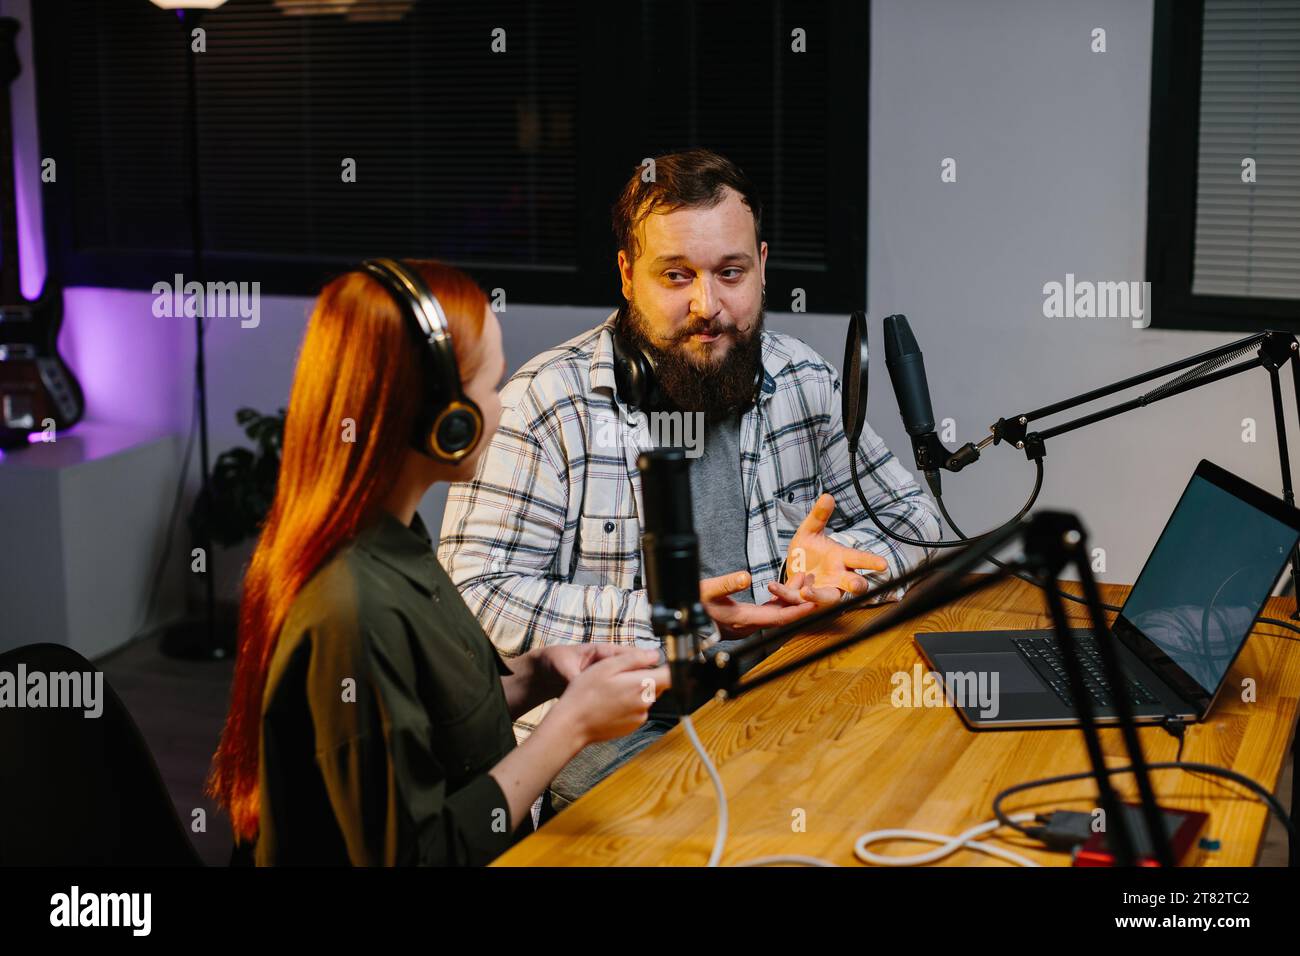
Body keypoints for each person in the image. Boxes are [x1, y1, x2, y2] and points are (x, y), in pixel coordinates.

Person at [439, 148, 942, 809]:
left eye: (730, 272)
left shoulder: (803, 380)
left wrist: (850, 574)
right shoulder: (548, 403)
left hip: (771, 692)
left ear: (762, 267)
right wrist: (663, 620)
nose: (708, 304)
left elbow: (920, 530)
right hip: (616, 728)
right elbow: (472, 598)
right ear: (626, 275)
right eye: (676, 275)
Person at [207, 258, 668, 865]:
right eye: (489, 387)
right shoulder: (352, 608)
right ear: (446, 421)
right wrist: (571, 728)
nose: (501, 410)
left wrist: (538, 678)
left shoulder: (394, 542)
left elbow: (429, 730)